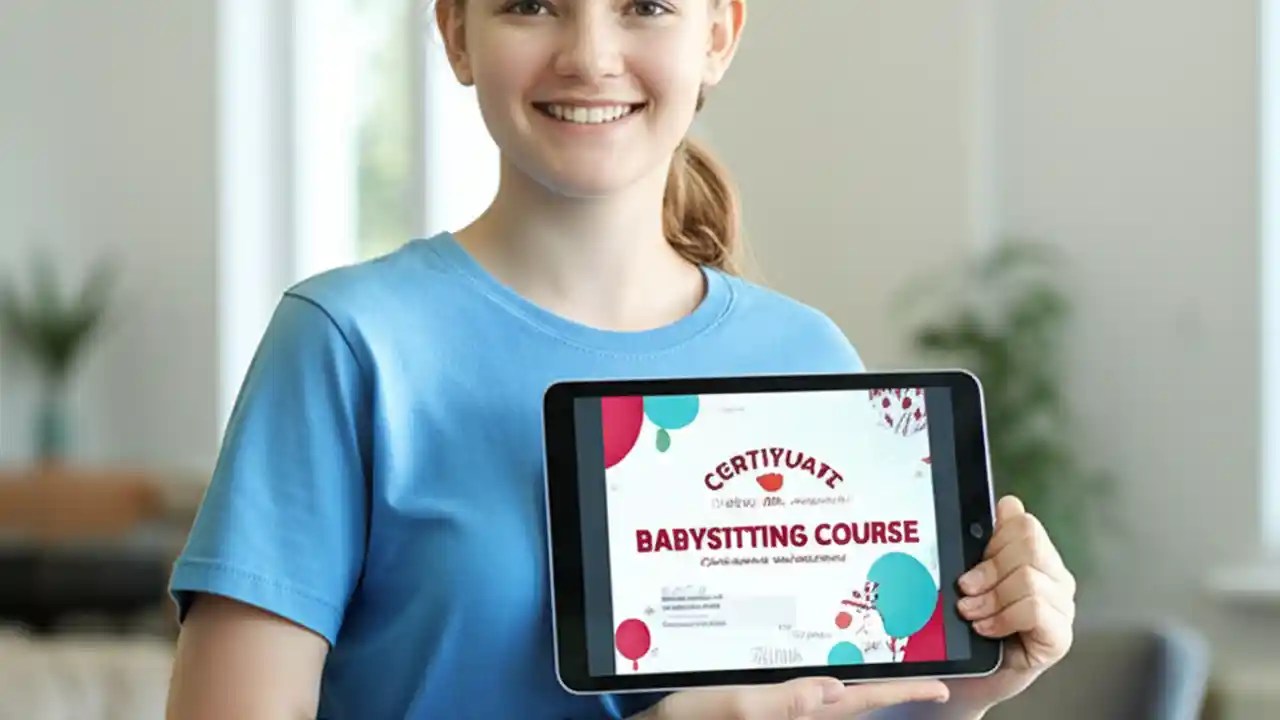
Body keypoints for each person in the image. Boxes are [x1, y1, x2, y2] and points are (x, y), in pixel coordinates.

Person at [164, 0, 1077, 718]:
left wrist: (968, 687)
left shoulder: (805, 356)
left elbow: (829, 706)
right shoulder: (348, 343)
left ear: (719, 33)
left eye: (644, 4)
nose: (590, 55)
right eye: (530, 4)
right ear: (455, 33)